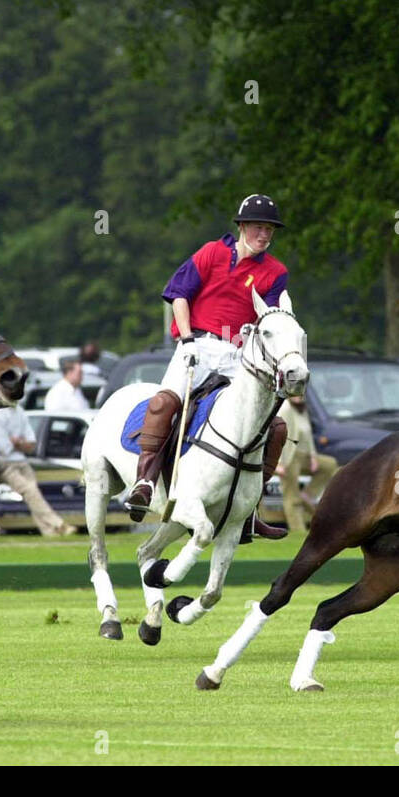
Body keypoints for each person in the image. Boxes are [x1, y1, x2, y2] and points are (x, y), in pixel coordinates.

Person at [125, 194, 291, 541]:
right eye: (259, 227)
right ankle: (145, 482)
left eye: (270, 229)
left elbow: (272, 319)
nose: (265, 234)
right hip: (197, 344)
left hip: (238, 354)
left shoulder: (276, 273)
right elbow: (179, 294)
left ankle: (249, 509)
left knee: (272, 428)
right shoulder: (212, 253)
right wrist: (186, 341)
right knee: (165, 404)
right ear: (242, 227)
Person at [0, 403, 77, 537]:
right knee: (30, 490)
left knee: (33, 494)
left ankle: (49, 532)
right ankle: (58, 524)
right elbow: (3, 447)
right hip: (3, 464)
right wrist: (21, 444)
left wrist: (17, 443)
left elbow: (32, 444)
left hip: (22, 461)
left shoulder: (19, 410)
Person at [275, 394, 339, 532]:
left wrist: (313, 456)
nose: (298, 396)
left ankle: (307, 495)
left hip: (302, 455)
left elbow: (308, 435)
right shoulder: (285, 409)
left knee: (329, 464)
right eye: (295, 393)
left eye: (301, 392)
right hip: (288, 456)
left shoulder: (302, 409)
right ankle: (298, 532)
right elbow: (279, 436)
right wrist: (279, 463)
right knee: (292, 497)